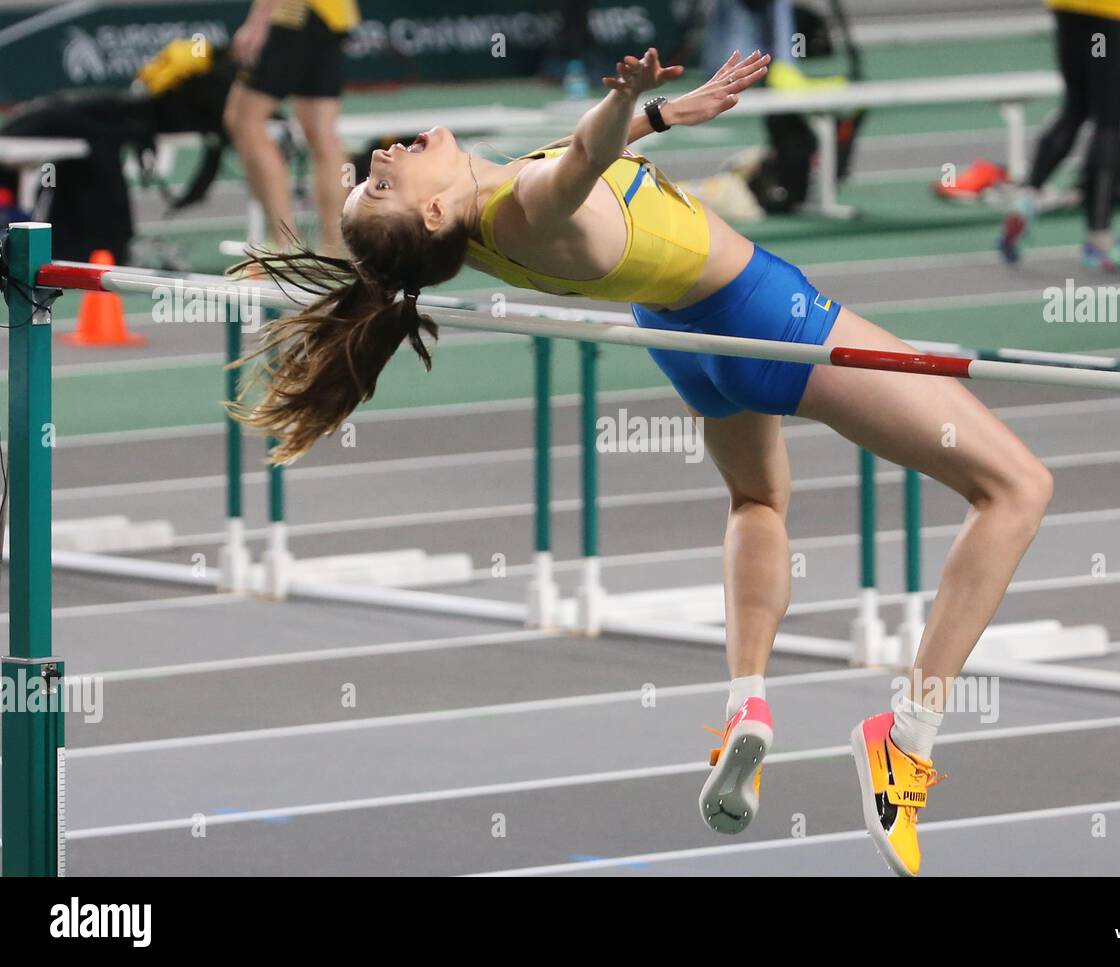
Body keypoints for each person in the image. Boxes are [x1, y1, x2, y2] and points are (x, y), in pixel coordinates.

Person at [233, 49, 1054, 877]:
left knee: (757, 503)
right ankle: (906, 739)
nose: (379, 157)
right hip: (767, 318)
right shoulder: (519, 208)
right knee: (1016, 487)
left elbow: (563, 165)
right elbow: (575, 168)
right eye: (380, 185)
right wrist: (632, 103)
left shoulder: (474, 222)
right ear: (435, 210)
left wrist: (661, 115)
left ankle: (747, 705)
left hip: (685, 339)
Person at [999, 0, 1120, 271]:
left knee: (1076, 107)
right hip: (1117, 12)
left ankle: (1027, 196)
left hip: (1070, 7)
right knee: (1109, 122)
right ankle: (1100, 239)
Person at [224, 0, 360, 257]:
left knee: (244, 120)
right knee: (322, 133)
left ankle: (284, 244)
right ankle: (334, 249)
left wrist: (258, 22)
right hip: (333, 15)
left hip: (293, 12)